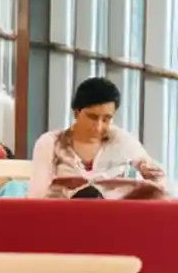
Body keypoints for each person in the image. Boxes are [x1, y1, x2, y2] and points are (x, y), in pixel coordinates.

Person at [28, 77, 166, 200]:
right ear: (77, 112)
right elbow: (37, 195)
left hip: (112, 219)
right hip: (63, 218)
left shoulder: (121, 140)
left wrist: (152, 173)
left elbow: (162, 184)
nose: (99, 127)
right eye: (92, 117)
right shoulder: (51, 143)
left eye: (106, 119)